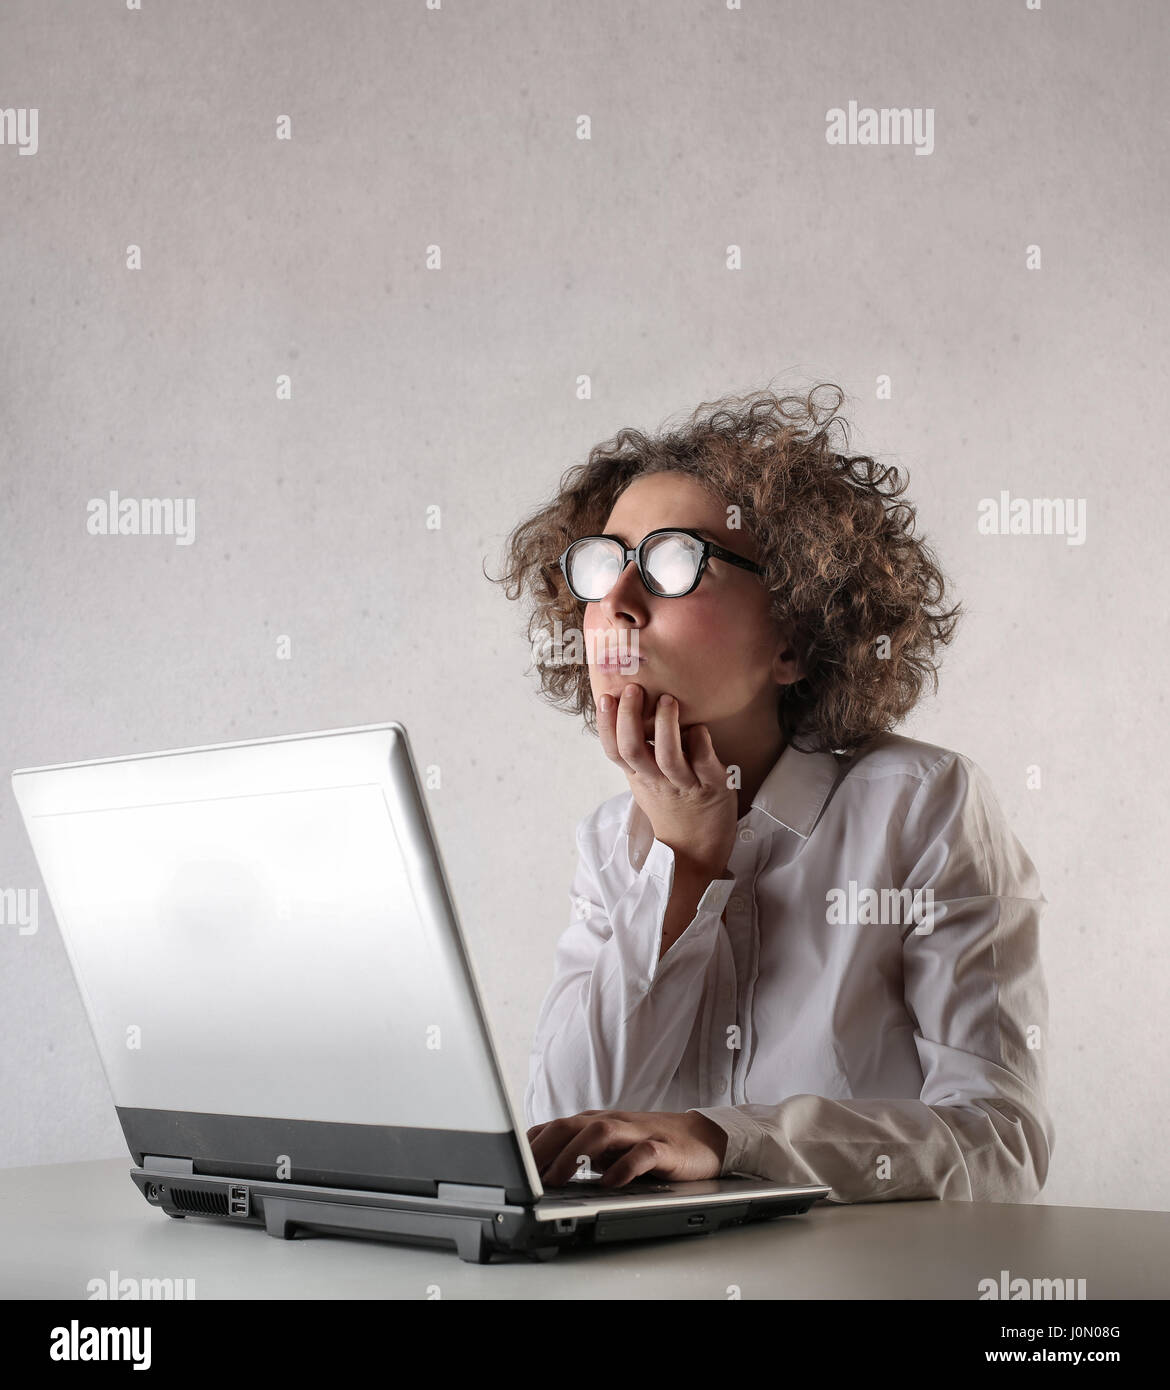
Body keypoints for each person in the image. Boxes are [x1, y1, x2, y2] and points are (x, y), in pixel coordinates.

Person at [490, 382, 1053, 1204]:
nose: (616, 604)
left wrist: (727, 1139)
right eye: (603, 564)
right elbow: (572, 1138)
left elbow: (1000, 1148)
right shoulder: (612, 844)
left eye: (674, 563)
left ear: (792, 634)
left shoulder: (922, 807)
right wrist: (684, 863)